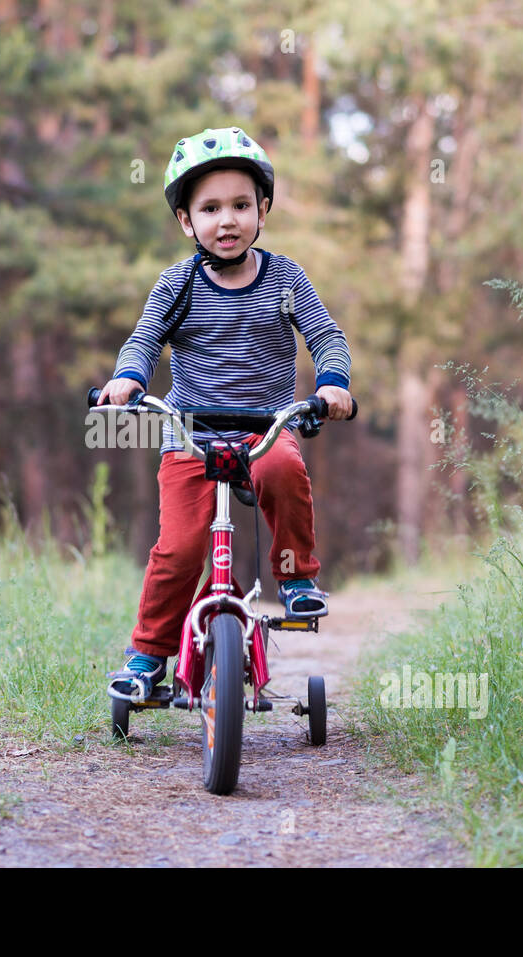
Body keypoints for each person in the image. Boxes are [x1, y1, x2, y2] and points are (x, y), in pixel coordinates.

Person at [95, 126, 353, 702]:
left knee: (285, 471)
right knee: (180, 548)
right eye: (210, 208)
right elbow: (143, 341)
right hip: (189, 436)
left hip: (266, 431)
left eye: (240, 205)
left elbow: (327, 338)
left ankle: (296, 579)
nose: (227, 220)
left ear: (262, 210)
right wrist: (128, 379)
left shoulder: (285, 278)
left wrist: (333, 385)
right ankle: (147, 657)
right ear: (187, 222)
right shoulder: (177, 283)